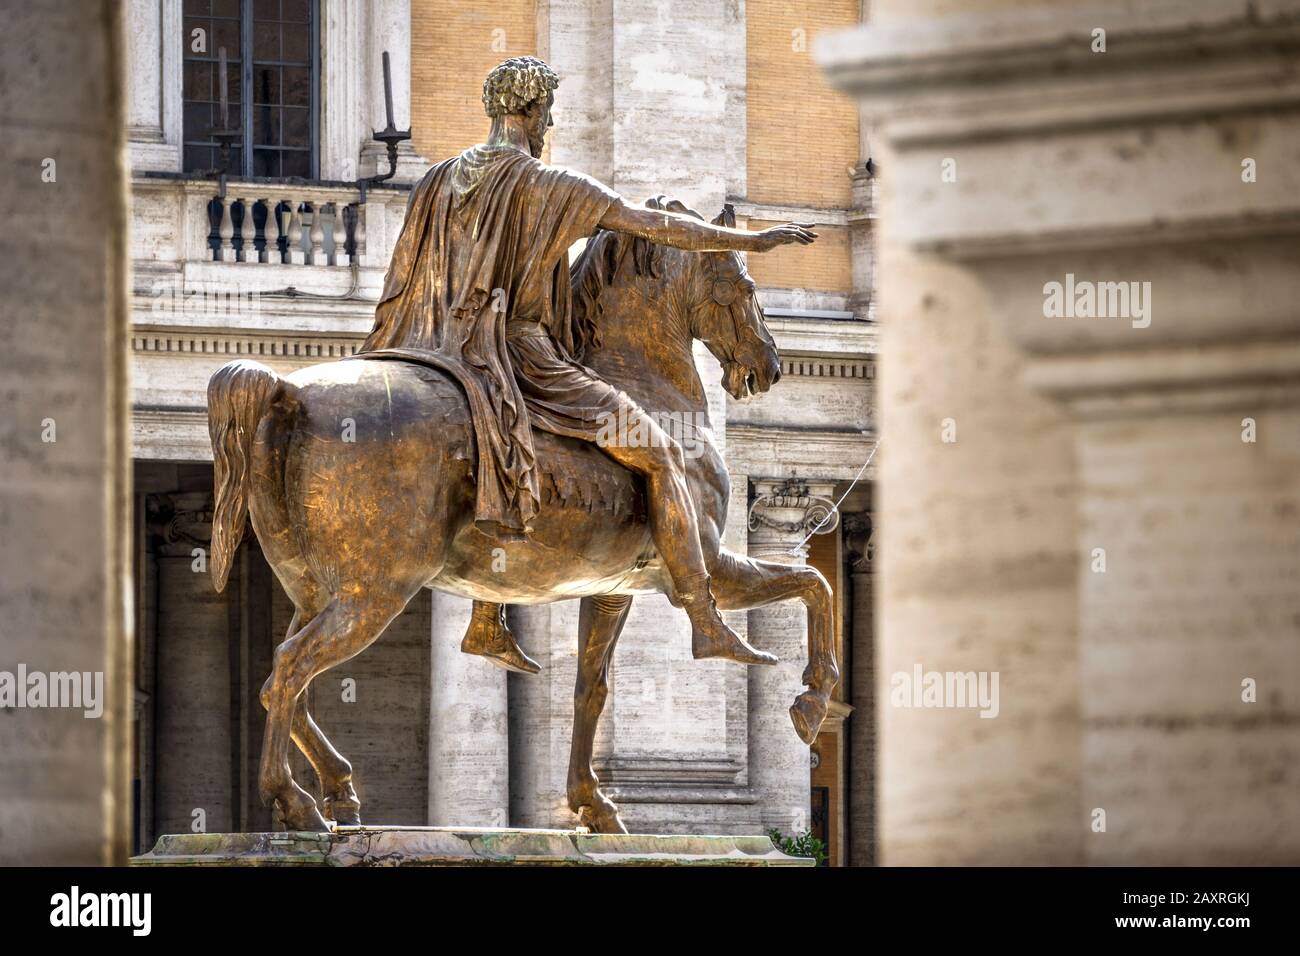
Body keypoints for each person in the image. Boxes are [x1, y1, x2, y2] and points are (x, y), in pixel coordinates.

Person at [359, 56, 817, 674]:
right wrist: (751, 243)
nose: (549, 121)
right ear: (532, 111)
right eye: (547, 110)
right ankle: (705, 620)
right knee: (658, 453)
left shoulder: (437, 178)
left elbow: (407, 272)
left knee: (489, 442)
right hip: (520, 352)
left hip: (435, 348)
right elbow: (653, 225)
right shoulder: (551, 184)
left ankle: (487, 615)